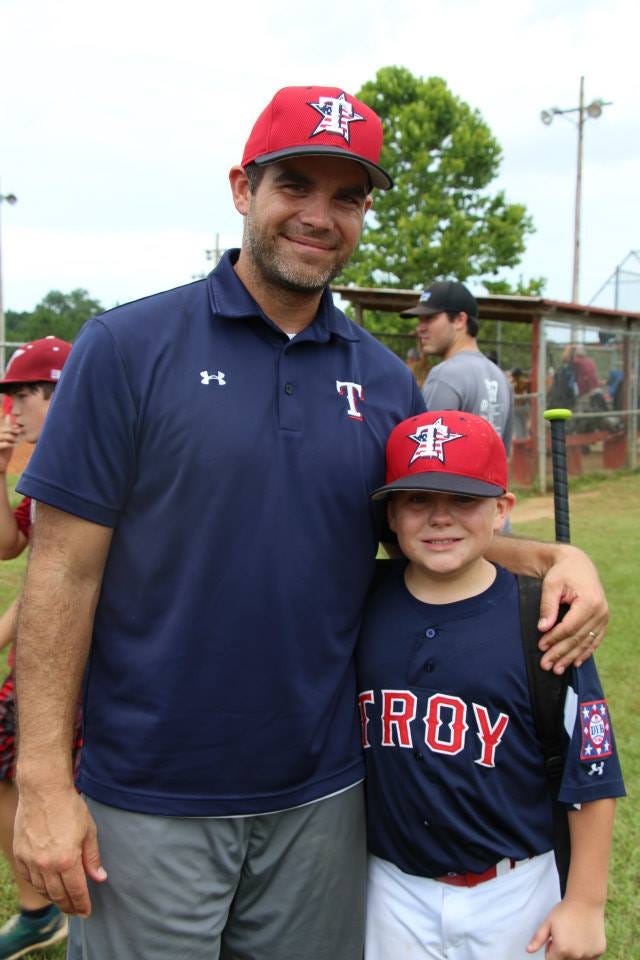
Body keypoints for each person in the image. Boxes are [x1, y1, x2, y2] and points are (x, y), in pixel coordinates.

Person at [11, 86, 607, 960]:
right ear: (242, 188)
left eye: (347, 197)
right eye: (295, 184)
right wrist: (40, 779)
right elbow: (63, 569)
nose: (320, 216)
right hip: (150, 792)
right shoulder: (129, 347)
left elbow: (431, 538)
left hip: (325, 797)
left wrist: (557, 557)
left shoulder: (387, 382)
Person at [358, 411, 624, 960]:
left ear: (502, 509)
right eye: (418, 499)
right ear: (391, 514)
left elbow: (592, 772)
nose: (440, 517)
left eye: (463, 499)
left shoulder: (544, 618)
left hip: (514, 890)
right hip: (390, 887)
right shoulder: (361, 603)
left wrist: (585, 902)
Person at [0, 336, 74, 959]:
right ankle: (39, 910)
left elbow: (65, 583)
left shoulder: (86, 461)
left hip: (71, 662)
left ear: (59, 393)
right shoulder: (48, 463)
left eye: (24, 394)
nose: (13, 410)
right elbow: (10, 548)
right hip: (38, 656)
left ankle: (52, 909)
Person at [403, 280, 513, 454]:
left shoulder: (445, 373)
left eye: (430, 318)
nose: (420, 328)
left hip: (445, 473)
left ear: (460, 320)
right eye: (420, 320)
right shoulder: (500, 377)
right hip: (487, 473)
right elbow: (502, 455)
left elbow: (424, 453)